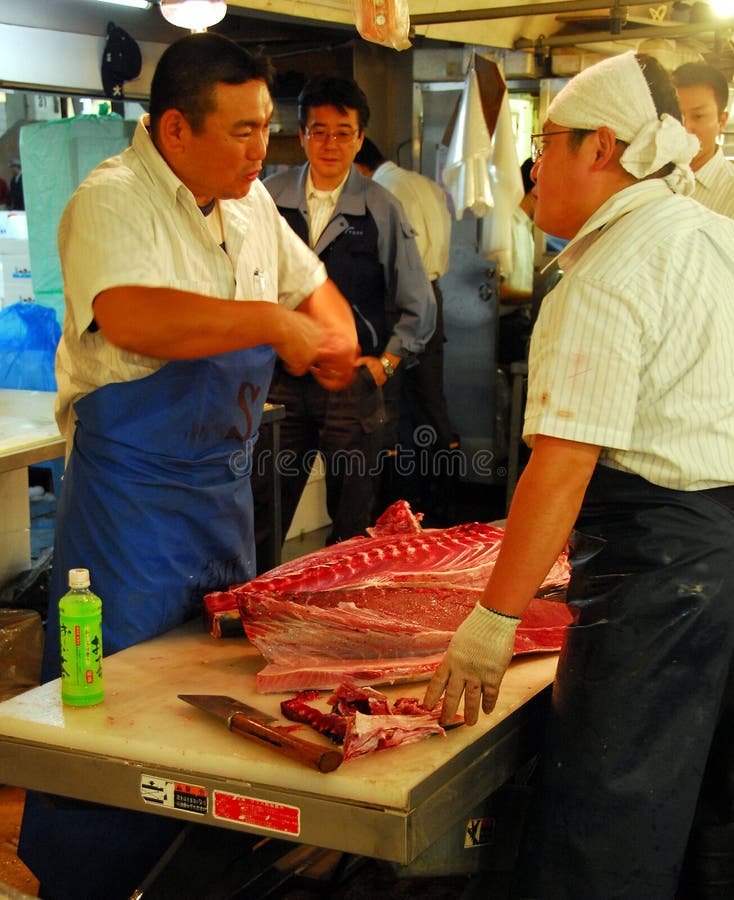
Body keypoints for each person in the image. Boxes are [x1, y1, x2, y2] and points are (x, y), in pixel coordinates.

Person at [18, 33, 359, 900]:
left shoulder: (248, 207)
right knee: (118, 715)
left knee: (213, 704)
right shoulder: (112, 200)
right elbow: (131, 315)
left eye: (265, 128)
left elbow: (309, 282)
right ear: (176, 129)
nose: (262, 149)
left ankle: (194, 877)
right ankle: (87, 882)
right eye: (242, 131)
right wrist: (270, 326)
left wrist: (332, 327)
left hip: (218, 500)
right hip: (129, 515)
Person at [424, 51, 734, 898]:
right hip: (718, 560)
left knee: (606, 825)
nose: (534, 169)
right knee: (706, 808)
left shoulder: (606, 271)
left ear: (600, 148)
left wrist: (492, 623)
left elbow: (562, 465)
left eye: (546, 145)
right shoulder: (710, 233)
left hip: (661, 583)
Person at [253, 77, 435, 555]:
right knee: (261, 509)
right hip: (281, 382)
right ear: (302, 133)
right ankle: (250, 611)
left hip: (352, 386)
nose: (330, 144)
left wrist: (387, 363)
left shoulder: (381, 207)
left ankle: (342, 620)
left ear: (359, 138)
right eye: (319, 131)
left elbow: (420, 300)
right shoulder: (266, 199)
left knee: (353, 524)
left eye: (342, 132)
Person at [354, 136, 454, 522]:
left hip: (399, 301)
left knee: (389, 402)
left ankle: (393, 510)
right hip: (434, 295)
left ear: (359, 165)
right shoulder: (426, 184)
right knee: (433, 401)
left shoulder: (379, 191)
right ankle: (444, 503)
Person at [673, 61, 734, 216]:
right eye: (675, 116)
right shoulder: (649, 177)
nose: (684, 128)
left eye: (698, 116)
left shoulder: (730, 191)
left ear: (722, 121)